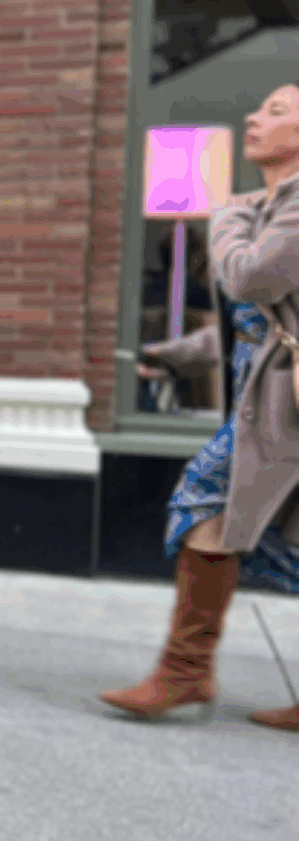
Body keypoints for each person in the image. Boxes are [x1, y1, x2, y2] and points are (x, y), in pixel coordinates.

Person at [103, 82, 299, 732]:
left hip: (282, 410)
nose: (254, 116)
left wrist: (225, 216)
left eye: (277, 111)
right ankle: (186, 671)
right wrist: (178, 354)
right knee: (226, 515)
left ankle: (186, 671)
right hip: (266, 404)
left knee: (203, 500)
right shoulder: (268, 208)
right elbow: (253, 323)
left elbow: (252, 280)